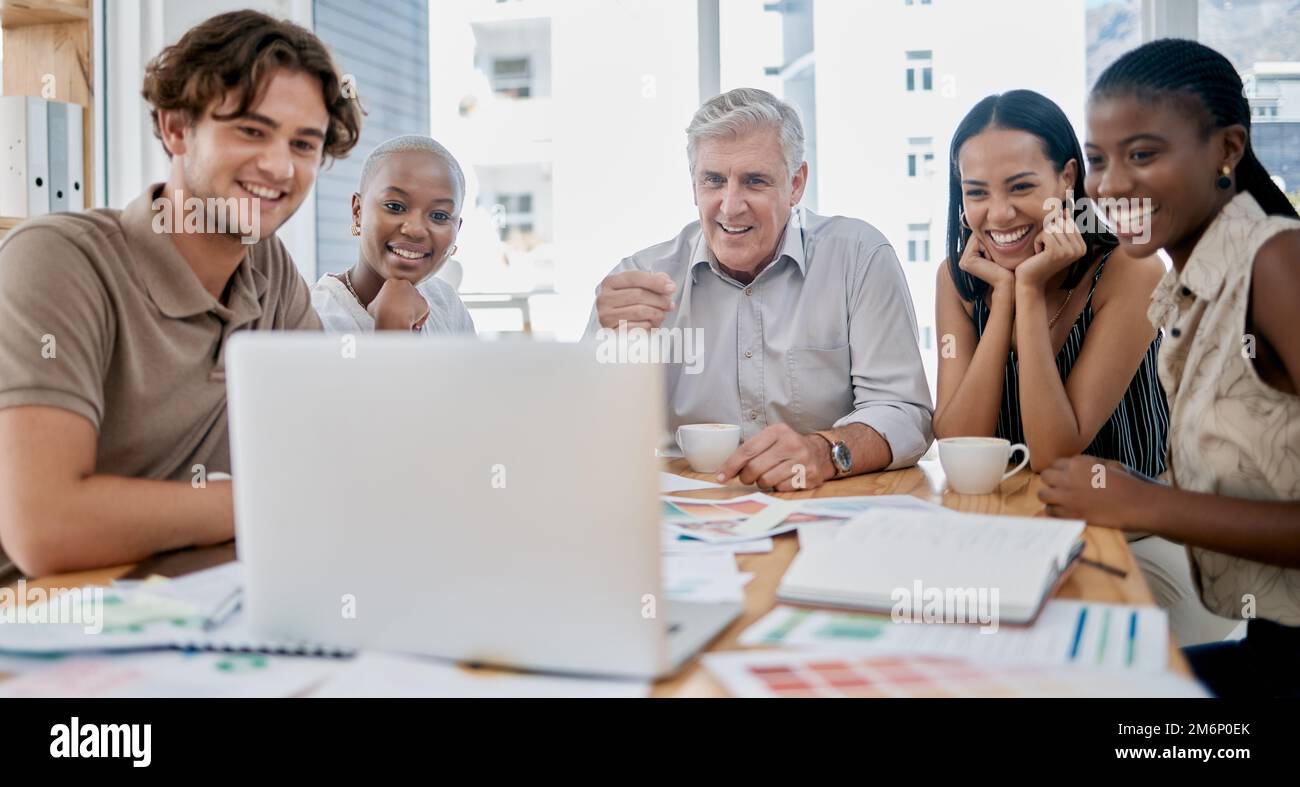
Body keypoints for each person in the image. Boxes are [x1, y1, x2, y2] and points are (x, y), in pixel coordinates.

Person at [0, 10, 361, 576]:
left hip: (184, 601)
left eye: (303, 144)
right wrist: (270, 502)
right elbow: (46, 528)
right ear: (175, 128)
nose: (278, 166)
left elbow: (330, 460)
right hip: (37, 618)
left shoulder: (272, 274)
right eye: (251, 129)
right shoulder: (56, 258)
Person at [1040, 39, 1300, 696]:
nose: (1111, 184)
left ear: (1228, 151)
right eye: (1098, 160)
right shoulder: (1189, 284)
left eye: (1144, 154)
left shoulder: (1275, 267)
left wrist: (1146, 500)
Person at [585, 88, 932, 491]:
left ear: (796, 183)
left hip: (823, 501)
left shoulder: (858, 257)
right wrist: (607, 354)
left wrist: (825, 451)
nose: (730, 206)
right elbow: (584, 437)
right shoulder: (641, 280)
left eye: (754, 181)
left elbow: (905, 412)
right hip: (688, 514)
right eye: (713, 180)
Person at [312, 135, 474, 335]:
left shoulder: (446, 303)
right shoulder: (315, 320)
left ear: (456, 230)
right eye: (395, 206)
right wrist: (392, 327)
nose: (415, 230)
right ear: (357, 212)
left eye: (439, 215)